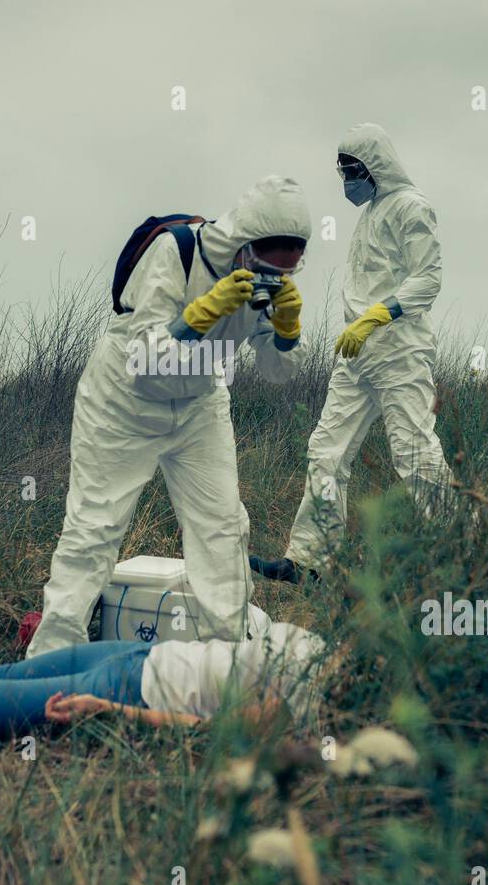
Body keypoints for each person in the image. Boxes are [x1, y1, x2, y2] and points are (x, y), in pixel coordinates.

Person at [28, 176, 311, 656]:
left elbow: (277, 372)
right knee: (94, 528)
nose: (271, 280)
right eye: (265, 268)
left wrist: (285, 331)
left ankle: (228, 662)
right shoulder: (175, 250)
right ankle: (50, 659)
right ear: (243, 246)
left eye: (284, 273)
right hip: (123, 401)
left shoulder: (271, 284)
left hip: (200, 401)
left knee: (222, 528)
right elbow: (144, 358)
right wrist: (197, 316)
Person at [251, 124, 453, 583]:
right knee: (326, 451)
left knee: (415, 453)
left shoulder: (411, 207)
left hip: (399, 351)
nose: (347, 182)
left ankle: (464, 552)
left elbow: (428, 279)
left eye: (353, 171)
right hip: (356, 354)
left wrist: (375, 317)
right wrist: (357, 328)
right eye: (342, 172)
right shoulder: (372, 214)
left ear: (375, 166)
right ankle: (309, 561)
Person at [0, 620, 326, 742]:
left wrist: (111, 714)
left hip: (132, 692)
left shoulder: (310, 701)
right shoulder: (330, 650)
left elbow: (209, 732)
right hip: (147, 653)